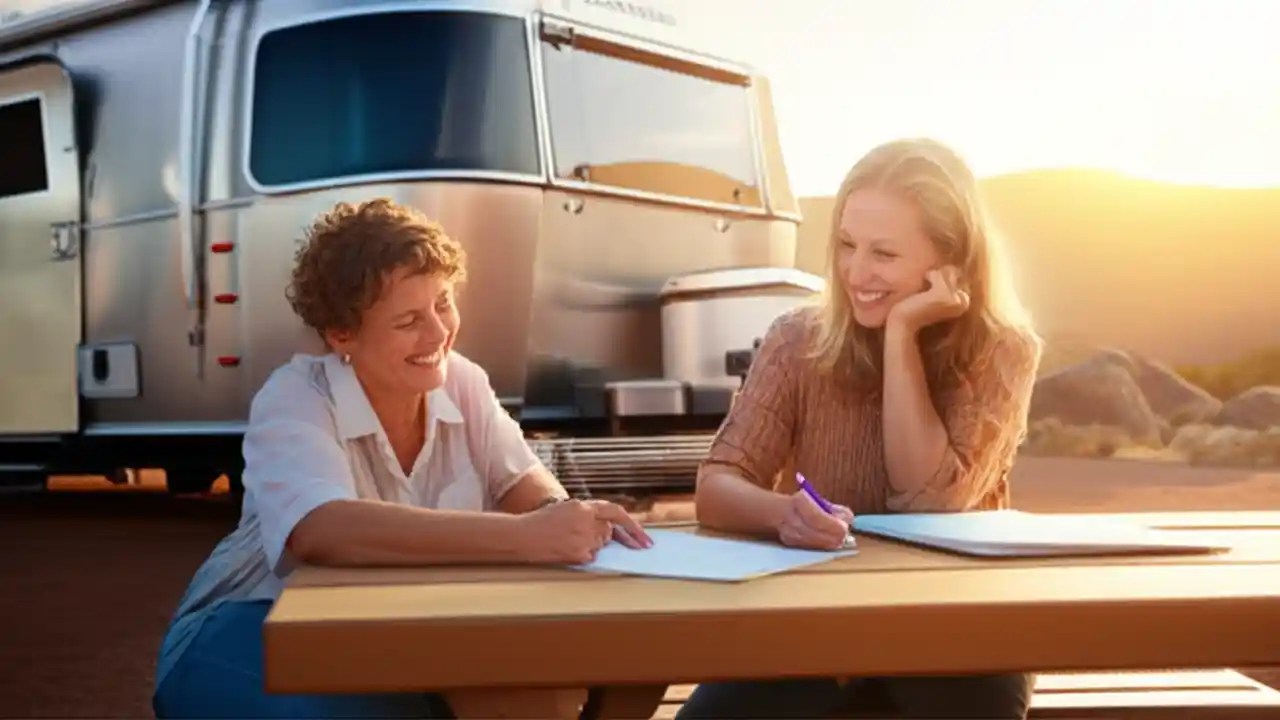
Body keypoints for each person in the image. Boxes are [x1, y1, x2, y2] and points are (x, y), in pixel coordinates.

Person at [152, 198, 652, 719]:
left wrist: (562, 518)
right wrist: (529, 537)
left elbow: (527, 487)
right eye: (409, 320)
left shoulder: (464, 382)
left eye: (443, 303)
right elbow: (321, 530)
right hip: (246, 627)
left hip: (382, 629)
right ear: (341, 334)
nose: (438, 333)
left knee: (537, 692)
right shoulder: (295, 397)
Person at [676, 138, 1043, 720]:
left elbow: (930, 502)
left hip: (956, 628)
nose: (856, 272)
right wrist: (782, 515)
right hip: (817, 621)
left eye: (884, 254)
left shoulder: (1002, 350)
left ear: (951, 260)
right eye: (847, 245)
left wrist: (902, 337)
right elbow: (717, 485)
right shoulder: (797, 340)